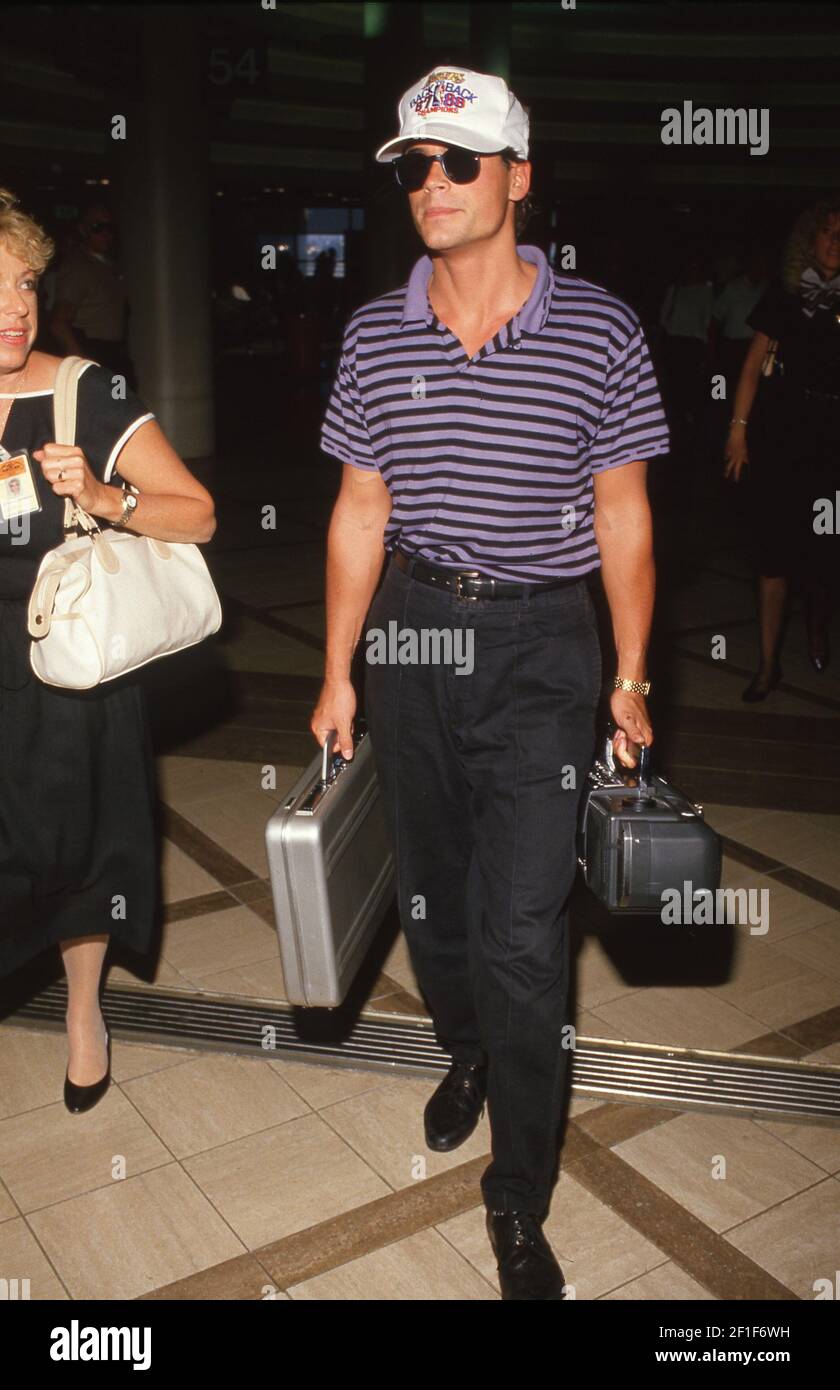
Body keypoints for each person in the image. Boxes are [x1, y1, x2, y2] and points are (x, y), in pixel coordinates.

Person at [311, 67, 670, 1300]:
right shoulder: (372, 331)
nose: (432, 184)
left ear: (519, 175)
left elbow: (624, 515)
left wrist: (628, 672)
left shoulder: (601, 329)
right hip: (415, 631)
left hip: (540, 647)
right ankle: (464, 1046)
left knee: (525, 936)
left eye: (458, 161)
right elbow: (360, 510)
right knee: (434, 906)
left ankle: (517, 1197)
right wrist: (336, 671)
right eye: (414, 164)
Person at [0, 187, 216, 1111]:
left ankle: (84, 1009)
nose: (16, 305)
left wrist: (99, 492)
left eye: (24, 283)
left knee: (80, 854)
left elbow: (198, 514)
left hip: (67, 665)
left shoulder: (84, 389)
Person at [724, 194, 840, 697]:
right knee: (772, 555)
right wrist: (737, 429)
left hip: (831, 438)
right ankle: (768, 664)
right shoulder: (785, 295)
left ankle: (816, 627)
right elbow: (751, 366)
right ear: (809, 239)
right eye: (827, 231)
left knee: (822, 551)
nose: (835, 241)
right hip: (779, 433)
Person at [48, 200, 137, 387]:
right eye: (98, 227)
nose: (106, 233)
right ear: (83, 230)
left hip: (113, 356)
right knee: (111, 408)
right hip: (95, 353)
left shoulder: (108, 266)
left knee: (122, 406)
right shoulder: (78, 267)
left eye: (110, 227)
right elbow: (58, 323)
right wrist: (84, 365)